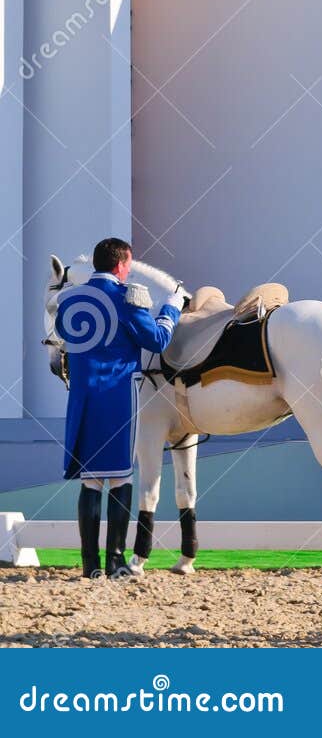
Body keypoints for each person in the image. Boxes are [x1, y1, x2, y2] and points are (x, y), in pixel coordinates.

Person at [57, 238, 182, 578]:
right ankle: (114, 561)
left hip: (82, 398)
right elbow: (157, 340)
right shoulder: (128, 298)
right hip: (117, 395)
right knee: (120, 476)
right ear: (121, 265)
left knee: (90, 481)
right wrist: (171, 307)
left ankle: (89, 565)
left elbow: (64, 339)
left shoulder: (69, 300)